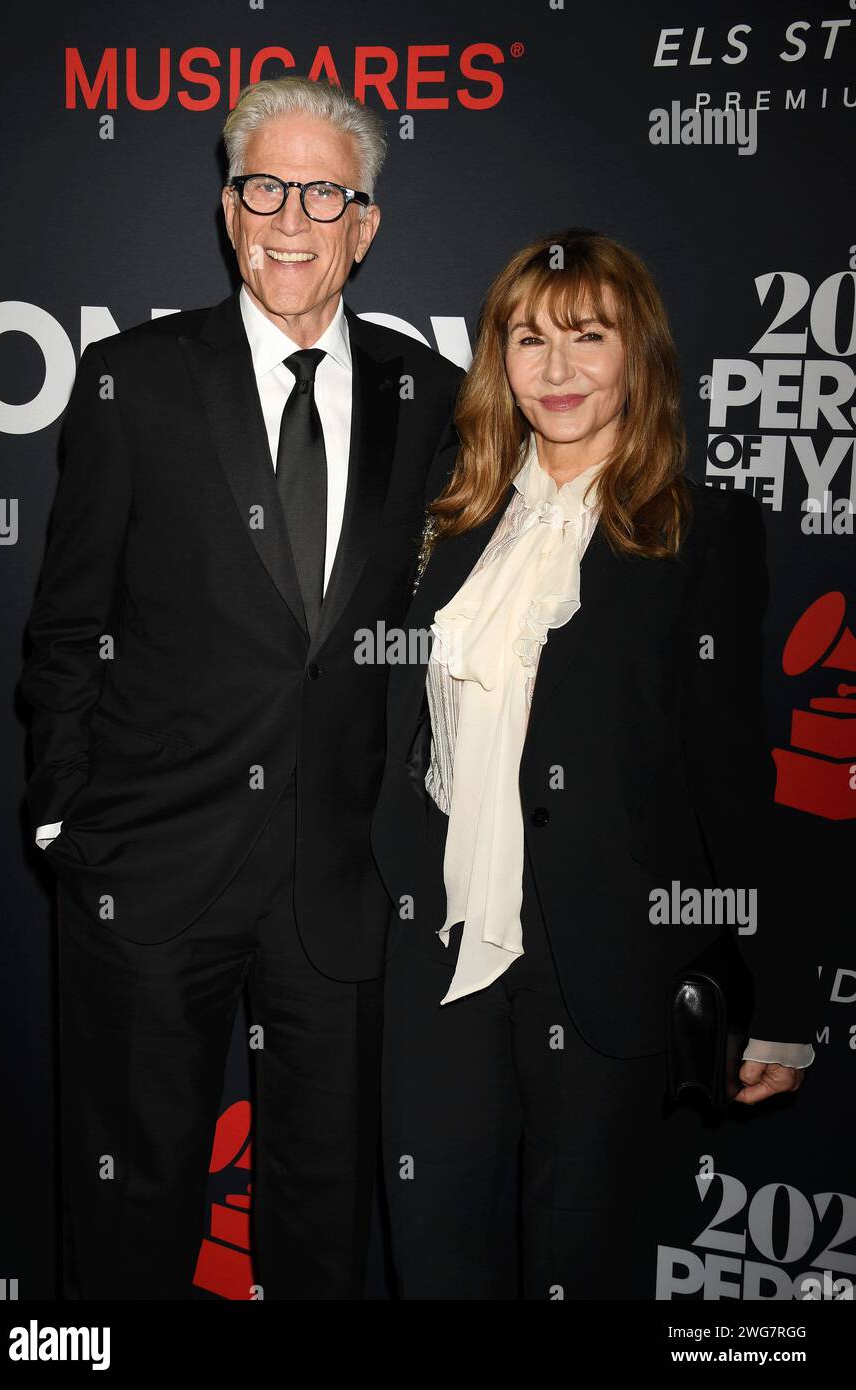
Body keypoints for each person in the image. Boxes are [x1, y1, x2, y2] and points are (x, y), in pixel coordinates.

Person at [19, 75, 463, 1300]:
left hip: (344, 889)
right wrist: (67, 820)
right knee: (129, 1214)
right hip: (152, 869)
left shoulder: (432, 398)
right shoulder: (132, 381)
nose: (292, 216)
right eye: (265, 185)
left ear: (365, 225)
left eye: (326, 192)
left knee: (323, 1221)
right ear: (228, 210)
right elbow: (67, 628)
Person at [371, 228, 816, 1300]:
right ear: (499, 358)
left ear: (640, 355)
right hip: (442, 949)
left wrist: (786, 994)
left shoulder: (697, 533)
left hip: (604, 955)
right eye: (530, 339)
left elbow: (733, 778)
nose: (557, 370)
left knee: (578, 1263)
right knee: (432, 1252)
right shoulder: (454, 517)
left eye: (587, 337)